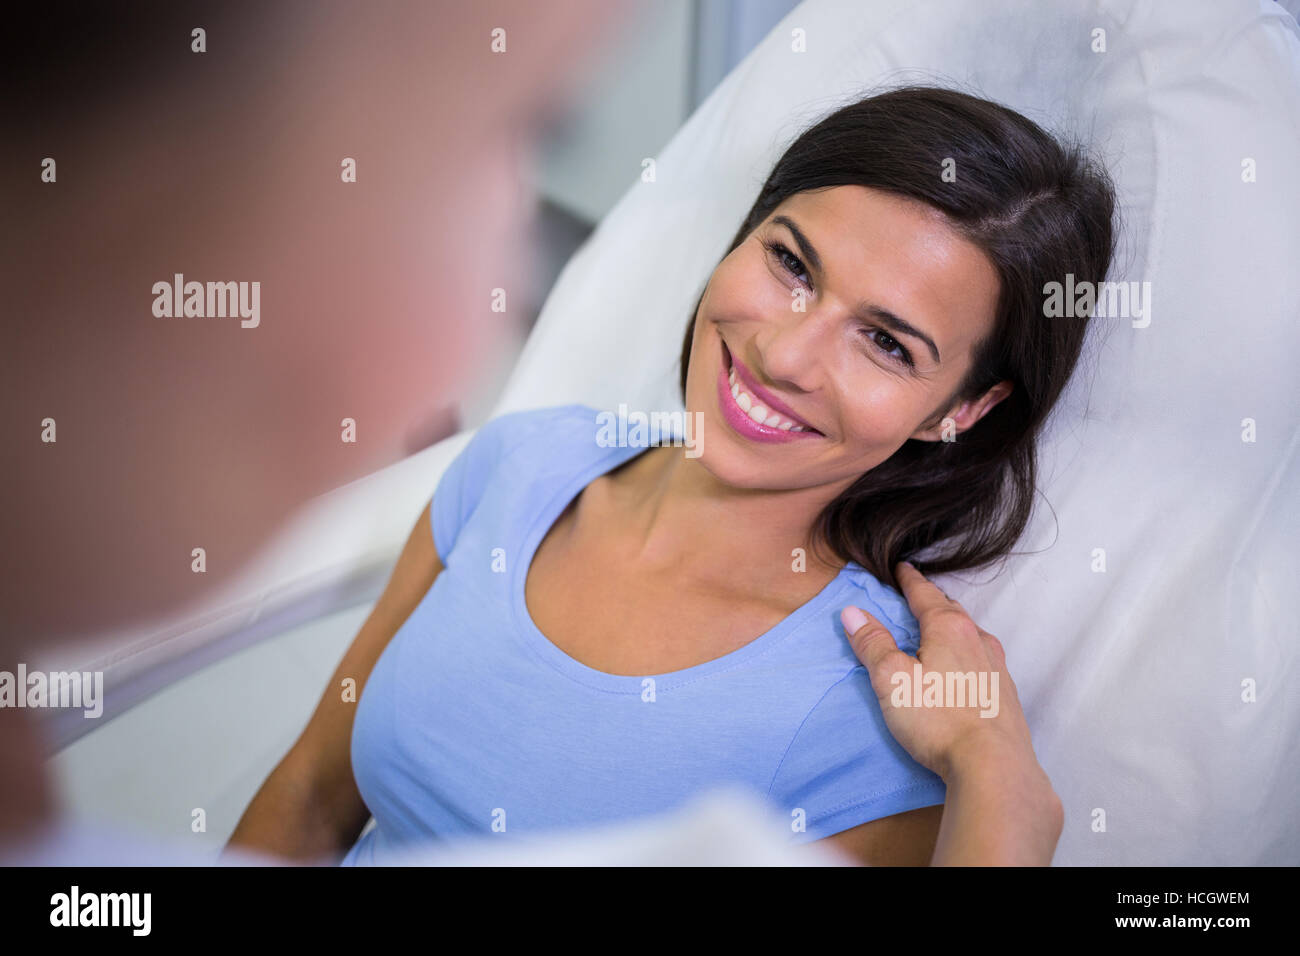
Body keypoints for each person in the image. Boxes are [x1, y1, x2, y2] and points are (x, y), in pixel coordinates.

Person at [227, 85, 1111, 866]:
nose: (782, 352)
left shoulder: (869, 722)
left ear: (960, 410)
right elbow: (311, 796)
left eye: (885, 341)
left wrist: (1004, 788)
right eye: (792, 264)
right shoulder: (522, 464)